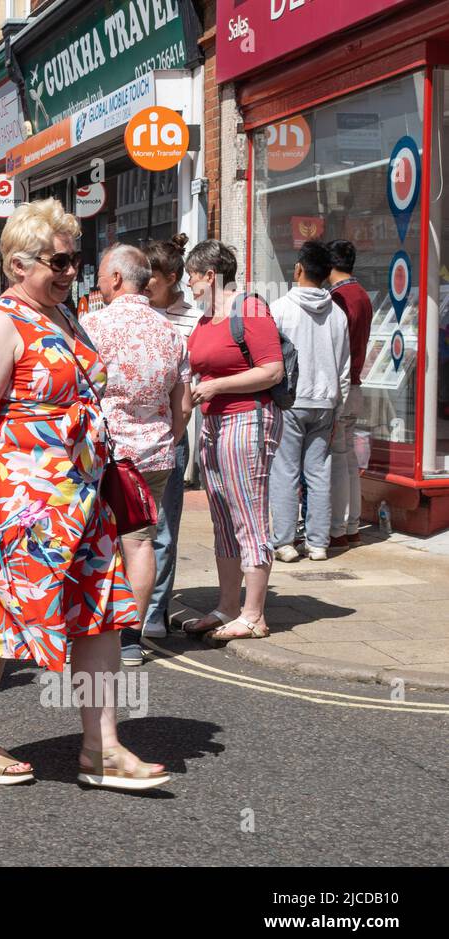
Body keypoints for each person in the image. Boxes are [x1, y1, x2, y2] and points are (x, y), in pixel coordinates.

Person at [0, 198, 170, 791]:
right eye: (58, 261)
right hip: (18, 503)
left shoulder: (65, 318)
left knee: (99, 617)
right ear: (16, 265)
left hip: (81, 500)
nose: (71, 271)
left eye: (75, 260)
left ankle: (101, 748)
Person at [81, 244, 191, 666]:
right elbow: (182, 403)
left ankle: (91, 627)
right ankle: (130, 639)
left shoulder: (92, 326)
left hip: (102, 456)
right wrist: (167, 436)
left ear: (114, 279)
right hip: (154, 455)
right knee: (141, 543)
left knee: (94, 541)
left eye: (103, 277)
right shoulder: (170, 332)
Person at [181, 240, 284, 640]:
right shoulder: (207, 319)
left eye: (192, 275)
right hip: (214, 424)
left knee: (248, 516)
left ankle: (254, 614)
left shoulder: (251, 309)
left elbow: (272, 370)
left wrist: (218, 385)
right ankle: (227, 608)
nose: (187, 283)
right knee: (223, 518)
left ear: (210, 276)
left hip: (248, 421)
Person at [140, 235, 205, 639]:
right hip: (129, 434)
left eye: (153, 279)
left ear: (174, 278)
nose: (144, 285)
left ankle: (153, 613)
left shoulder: (195, 321)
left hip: (173, 432)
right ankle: (125, 607)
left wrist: (177, 429)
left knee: (163, 527)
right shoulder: (132, 313)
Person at [269, 241, 350, 563]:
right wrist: (338, 404)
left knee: (285, 470)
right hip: (326, 400)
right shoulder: (338, 314)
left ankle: (285, 541)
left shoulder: (280, 309)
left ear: (299, 269)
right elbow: (344, 365)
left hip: (291, 399)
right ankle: (318, 542)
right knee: (319, 471)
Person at [327, 239, 373, 549]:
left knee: (338, 458)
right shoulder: (362, 296)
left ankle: (339, 529)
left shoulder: (339, 298)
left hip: (342, 385)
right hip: (355, 383)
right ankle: (352, 525)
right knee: (348, 458)